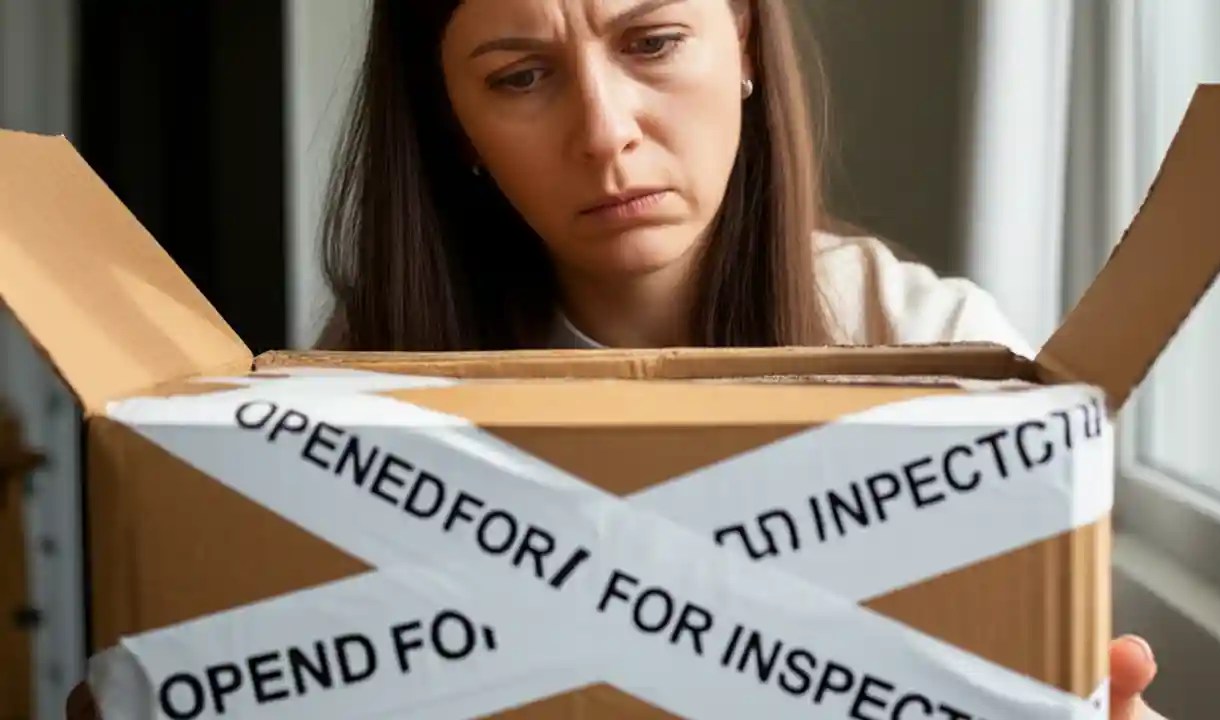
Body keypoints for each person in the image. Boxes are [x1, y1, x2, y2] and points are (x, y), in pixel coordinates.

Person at [66, 0, 1163, 718]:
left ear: (739, 42)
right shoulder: (341, 408)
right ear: (456, 126)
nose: (604, 132)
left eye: (649, 43)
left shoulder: (939, 352)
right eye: (518, 76)